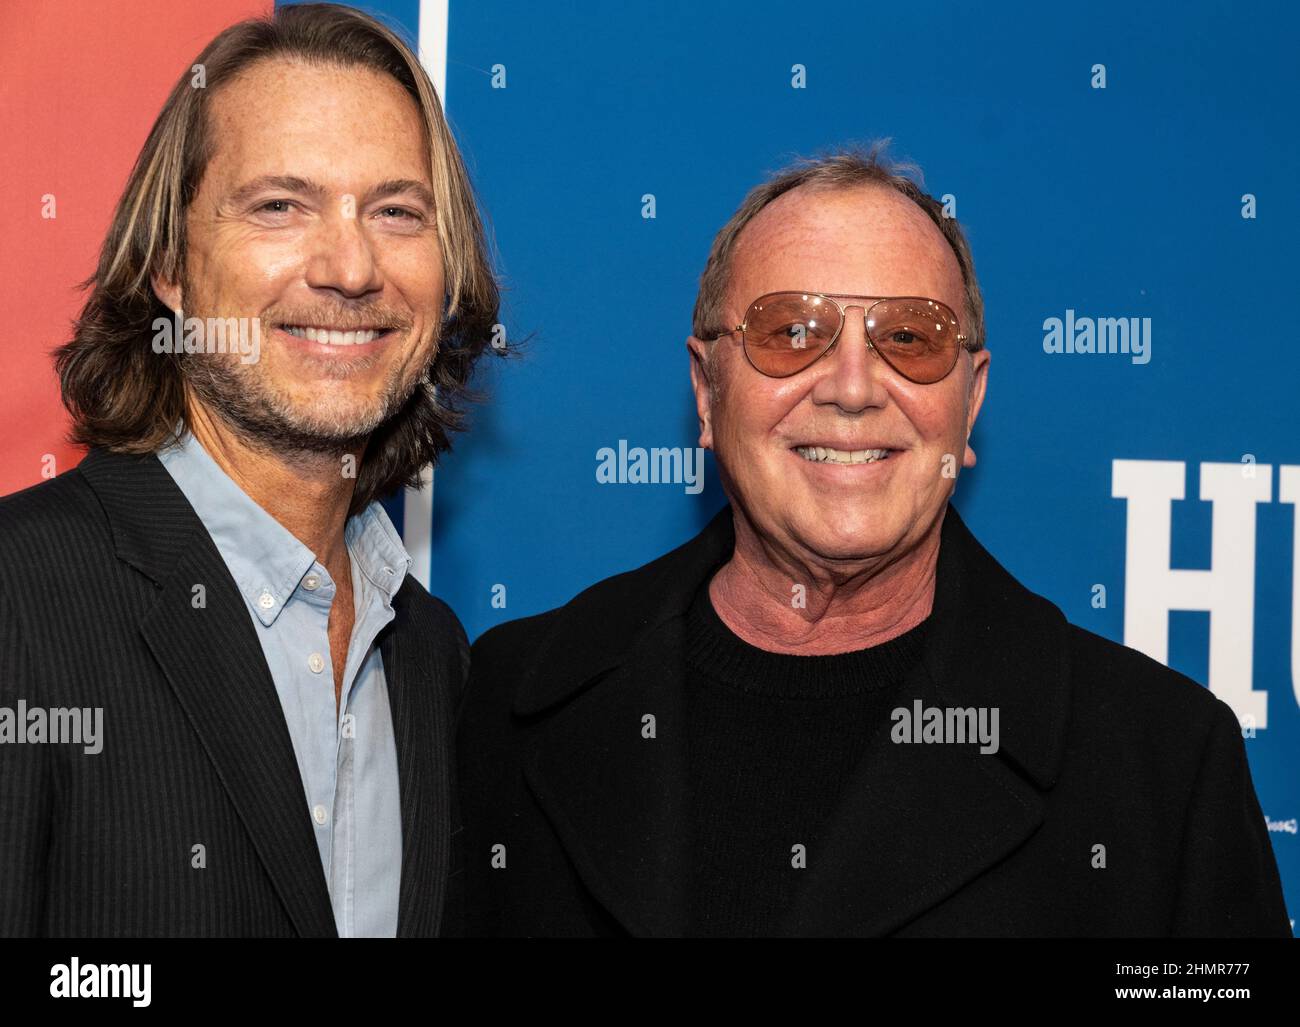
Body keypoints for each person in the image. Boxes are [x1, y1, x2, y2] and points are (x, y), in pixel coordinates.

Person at [457, 146, 1290, 937]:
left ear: (971, 403)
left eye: (911, 338)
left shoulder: (1160, 766)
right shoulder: (515, 700)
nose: (853, 387)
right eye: (790, 331)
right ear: (707, 391)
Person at [0, 3, 497, 937]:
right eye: (280, 205)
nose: (351, 266)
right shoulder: (19, 599)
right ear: (172, 271)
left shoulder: (432, 655)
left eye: (396, 211)